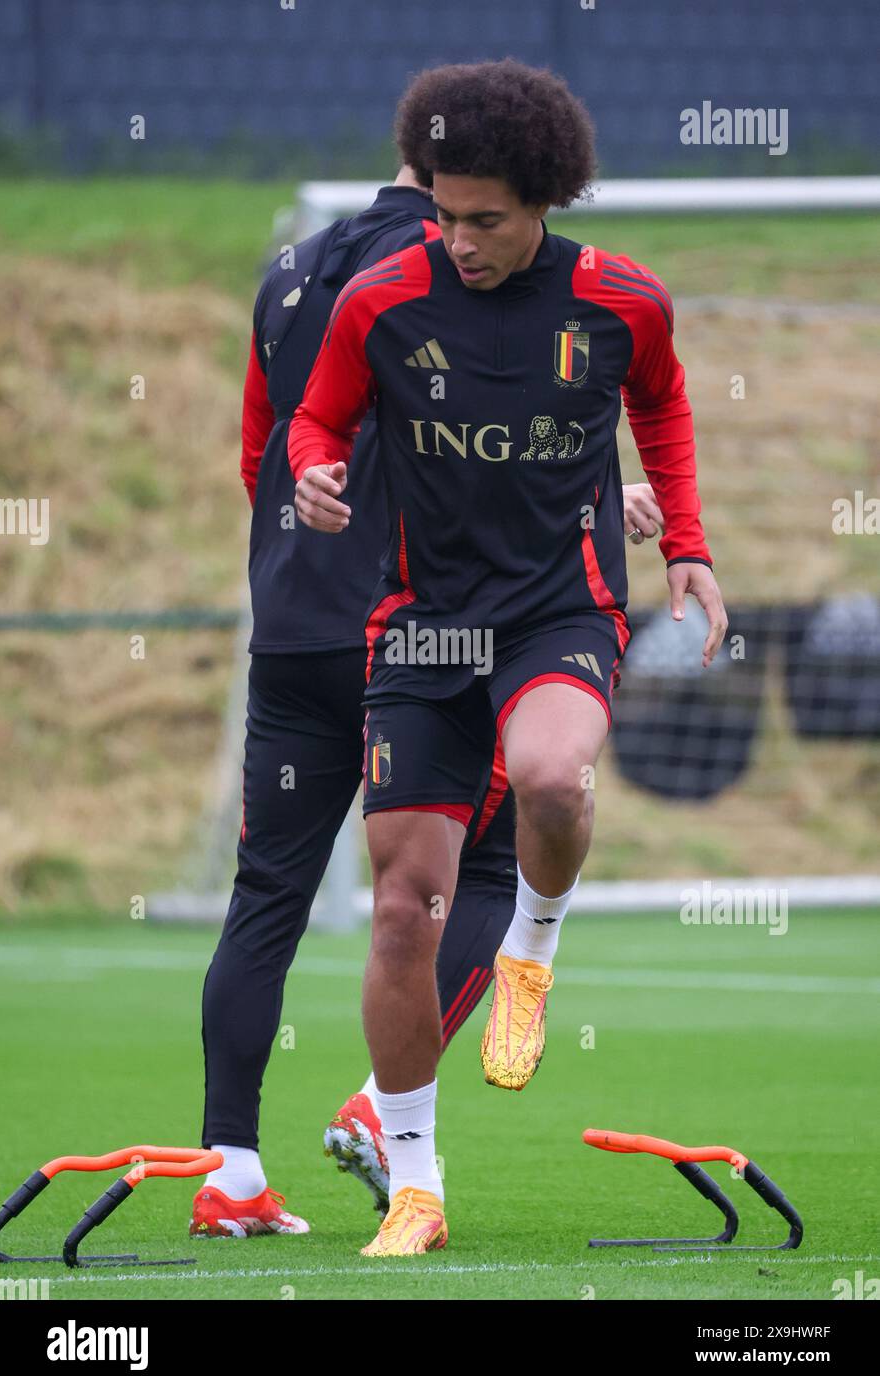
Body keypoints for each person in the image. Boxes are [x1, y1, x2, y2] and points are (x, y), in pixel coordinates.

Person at [289, 58, 728, 1257]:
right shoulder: (378, 302)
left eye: (484, 218)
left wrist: (685, 544)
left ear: (544, 197)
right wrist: (314, 474)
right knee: (399, 913)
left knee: (547, 777)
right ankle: (417, 1185)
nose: (461, 239)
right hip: (420, 627)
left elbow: (665, 408)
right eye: (443, 213)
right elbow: (317, 419)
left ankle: (532, 944)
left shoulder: (620, 301)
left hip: (558, 614)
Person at [191, 162, 667, 1240]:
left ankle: (229, 1168)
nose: (464, 233)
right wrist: (598, 494)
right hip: (418, 621)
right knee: (482, 869)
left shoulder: (289, 273)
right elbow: (492, 444)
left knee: (267, 896)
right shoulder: (444, 275)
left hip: (292, 618)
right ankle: (388, 1100)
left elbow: (262, 453)